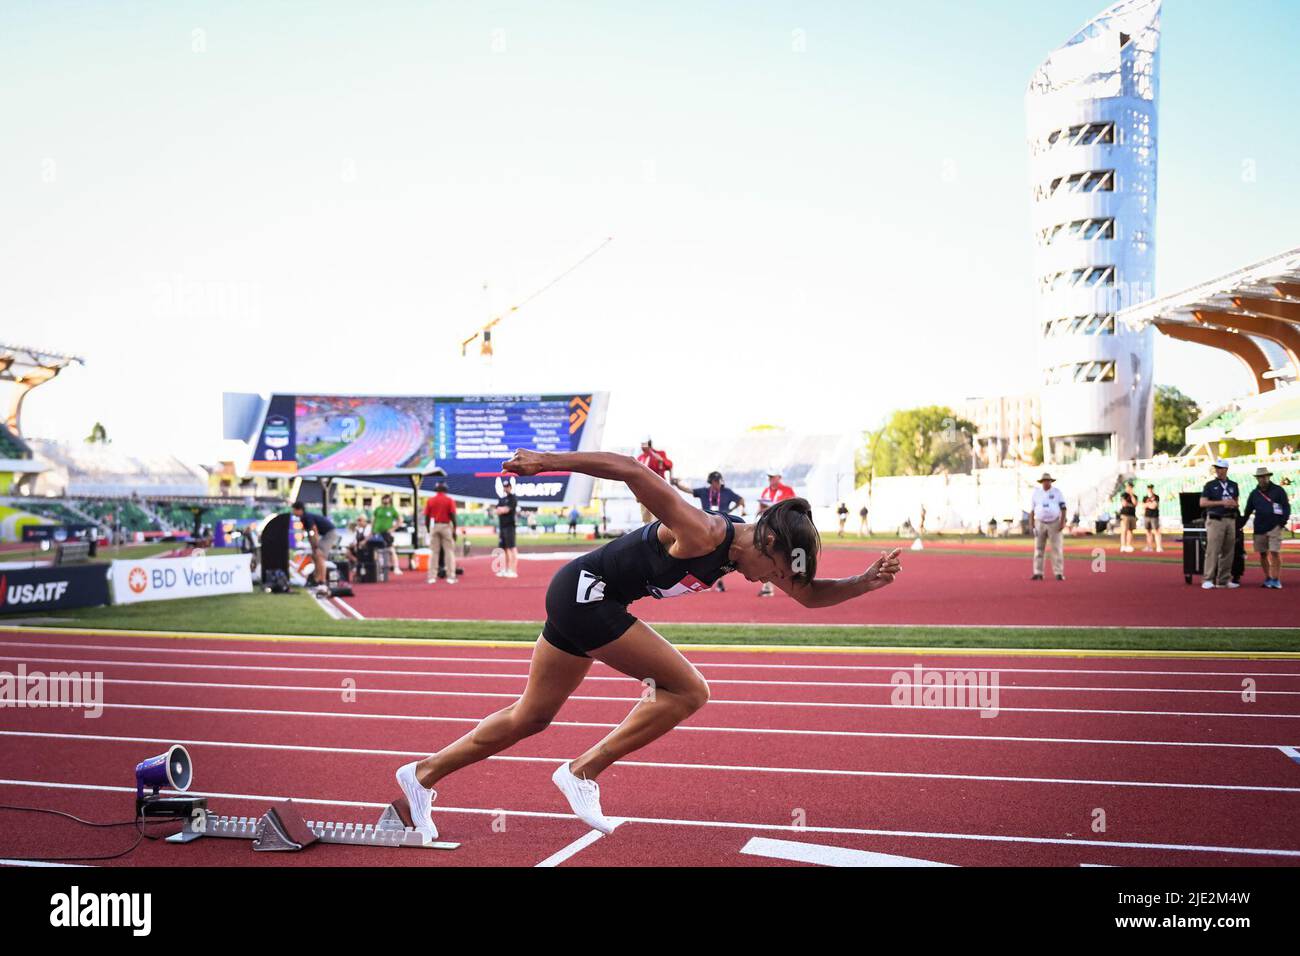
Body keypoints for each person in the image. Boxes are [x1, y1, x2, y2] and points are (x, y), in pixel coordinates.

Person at [393, 447, 904, 838]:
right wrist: (547, 461)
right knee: (688, 690)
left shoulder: (749, 554)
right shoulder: (703, 532)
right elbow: (633, 472)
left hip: (583, 597)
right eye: (772, 571)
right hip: (586, 598)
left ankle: (420, 777)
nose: (766, 582)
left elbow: (809, 597)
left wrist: (866, 582)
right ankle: (581, 772)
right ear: (767, 542)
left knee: (530, 717)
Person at [672, 470, 746, 591]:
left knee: (721, 553)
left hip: (723, 526)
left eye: (718, 481)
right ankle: (705, 581)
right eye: (714, 481)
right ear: (710, 482)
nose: (716, 484)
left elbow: (741, 500)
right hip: (706, 525)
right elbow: (689, 490)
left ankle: (718, 581)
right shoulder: (704, 492)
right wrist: (677, 485)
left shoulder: (727, 492)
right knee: (703, 552)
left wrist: (732, 511)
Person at [1242, 465, 1290, 589]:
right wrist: (1240, 524)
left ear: (1268, 477)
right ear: (1257, 479)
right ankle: (1268, 577)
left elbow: (1286, 507)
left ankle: (1276, 579)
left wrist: (1282, 523)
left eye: (1264, 476)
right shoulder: (1254, 494)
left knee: (1275, 552)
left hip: (1275, 525)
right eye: (1260, 477)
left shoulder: (1278, 490)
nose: (1262, 479)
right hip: (1259, 527)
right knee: (1263, 553)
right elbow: (1247, 511)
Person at [1198, 458, 1241, 590]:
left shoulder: (1233, 485)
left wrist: (1233, 504)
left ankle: (1223, 580)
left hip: (1230, 519)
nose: (1218, 470)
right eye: (1217, 468)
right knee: (1213, 550)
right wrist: (1222, 503)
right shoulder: (1210, 485)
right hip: (1216, 519)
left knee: (1228, 551)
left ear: (1226, 469)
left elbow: (1236, 501)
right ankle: (1208, 578)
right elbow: (1202, 503)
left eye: (1220, 468)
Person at [756, 467, 797, 596]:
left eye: (773, 477)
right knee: (768, 554)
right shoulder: (765, 491)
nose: (770, 479)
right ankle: (767, 586)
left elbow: (792, 507)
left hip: (785, 528)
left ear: (779, 477)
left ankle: (797, 584)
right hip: (770, 528)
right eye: (769, 477)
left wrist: (775, 506)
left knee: (791, 555)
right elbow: (761, 508)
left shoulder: (787, 490)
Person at [291, 501, 339, 596]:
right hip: (325, 534)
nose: (293, 512)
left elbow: (314, 530)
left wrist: (316, 546)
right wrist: (313, 547)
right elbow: (309, 534)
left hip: (329, 533)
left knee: (319, 556)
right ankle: (316, 579)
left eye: (294, 510)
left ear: (299, 510)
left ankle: (322, 581)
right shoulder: (302, 519)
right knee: (315, 555)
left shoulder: (307, 517)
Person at [1028, 472, 1066, 581]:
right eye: (1044, 481)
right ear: (1042, 482)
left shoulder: (1057, 492)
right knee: (1038, 548)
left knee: (1056, 548)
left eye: (1048, 481)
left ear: (1050, 482)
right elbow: (1032, 510)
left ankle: (1058, 572)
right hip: (1040, 522)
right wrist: (1032, 525)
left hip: (1054, 522)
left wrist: (1062, 522)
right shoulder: (1036, 493)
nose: (1046, 483)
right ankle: (1038, 572)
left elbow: (1063, 508)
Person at [423, 482, 458, 584]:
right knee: (449, 552)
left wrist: (428, 529)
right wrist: (454, 530)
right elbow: (453, 516)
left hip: (435, 526)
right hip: (446, 526)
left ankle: (432, 577)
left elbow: (427, 517)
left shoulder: (430, 500)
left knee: (434, 552)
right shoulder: (449, 500)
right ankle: (451, 576)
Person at [635, 436, 673, 523]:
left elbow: (669, 465)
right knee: (645, 516)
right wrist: (637, 493)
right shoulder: (640, 458)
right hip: (643, 490)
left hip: (656, 487)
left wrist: (661, 460)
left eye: (644, 444)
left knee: (657, 514)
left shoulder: (659, 454)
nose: (642, 447)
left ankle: (656, 533)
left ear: (649, 444)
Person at [371, 494, 404, 576]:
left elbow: (400, 520)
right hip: (377, 532)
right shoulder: (378, 509)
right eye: (384, 499)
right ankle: (379, 568)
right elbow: (374, 520)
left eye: (387, 499)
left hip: (386, 533)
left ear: (389, 500)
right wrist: (372, 530)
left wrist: (393, 529)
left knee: (391, 550)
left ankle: (396, 567)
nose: (385, 500)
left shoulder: (392, 510)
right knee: (376, 551)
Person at [495, 477, 519, 578]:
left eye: (508, 486)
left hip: (510, 527)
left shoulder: (513, 498)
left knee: (511, 548)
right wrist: (502, 509)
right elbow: (497, 510)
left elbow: (505, 510)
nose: (506, 488)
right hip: (502, 527)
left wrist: (502, 509)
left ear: (510, 487)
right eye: (505, 486)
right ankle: (504, 569)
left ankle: (513, 570)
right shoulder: (502, 499)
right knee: (503, 549)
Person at [1141, 483, 1162, 553]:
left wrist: (1147, 505)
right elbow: (1143, 506)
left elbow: (1154, 506)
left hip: (1154, 516)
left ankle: (1158, 547)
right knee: (1148, 532)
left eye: (1151, 488)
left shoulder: (1156, 497)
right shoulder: (1145, 497)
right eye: (1149, 488)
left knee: (1156, 531)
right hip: (1147, 516)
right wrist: (1149, 504)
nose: (1150, 490)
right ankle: (1149, 546)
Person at [1118, 482, 1138, 552]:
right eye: (1128, 487)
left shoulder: (1134, 496)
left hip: (1132, 515)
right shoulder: (1124, 495)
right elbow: (1124, 504)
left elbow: (1135, 504)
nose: (1129, 488)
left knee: (1130, 530)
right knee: (1124, 530)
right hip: (1125, 515)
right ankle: (1123, 545)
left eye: (1131, 487)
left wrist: (1131, 495)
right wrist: (1131, 505)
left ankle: (1128, 545)